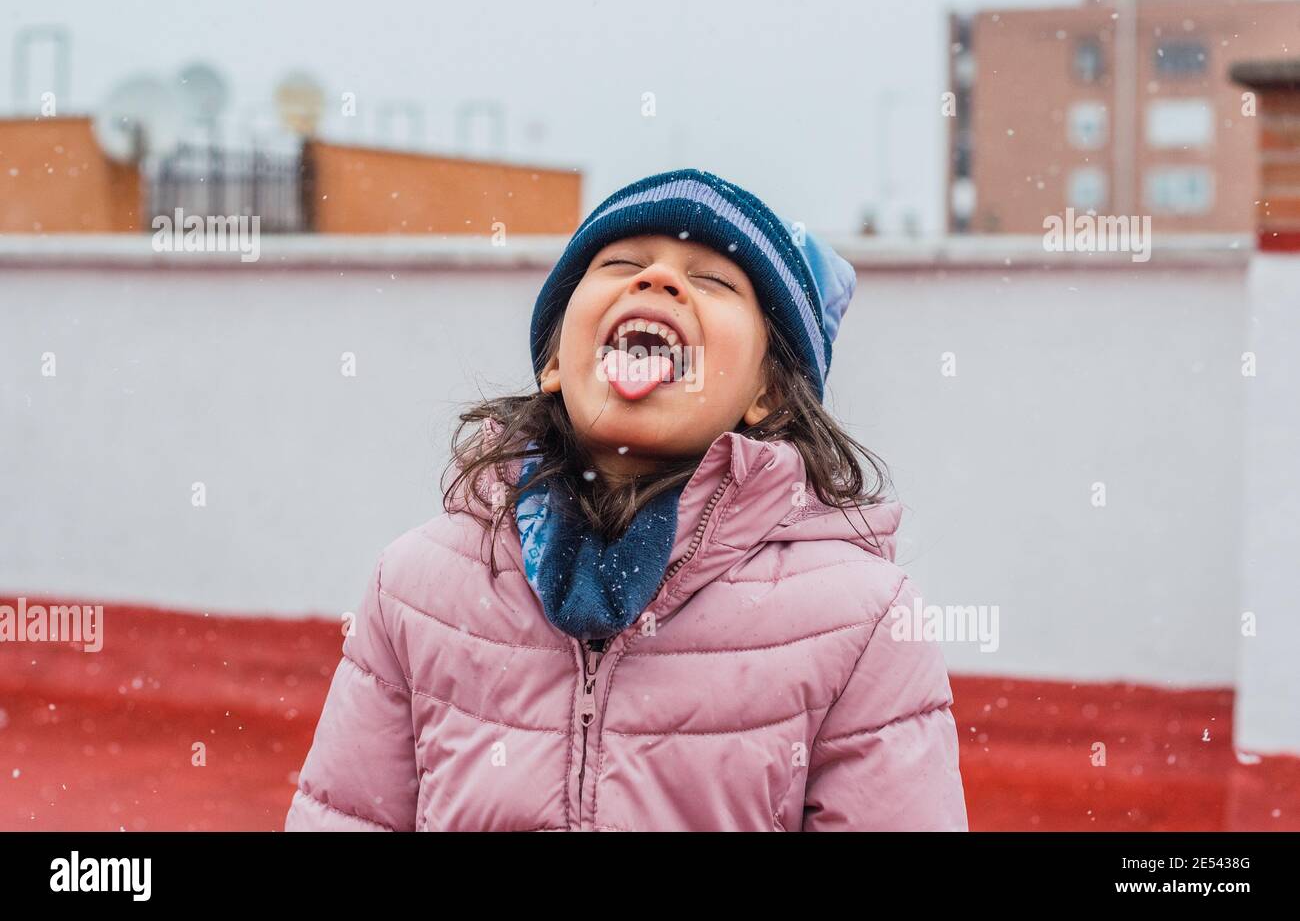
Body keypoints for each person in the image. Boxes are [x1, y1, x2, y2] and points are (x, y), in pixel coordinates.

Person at [284, 167, 969, 832]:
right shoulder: (414, 587)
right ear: (554, 361)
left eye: (712, 279)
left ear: (771, 393)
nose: (659, 278)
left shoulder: (860, 620)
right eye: (619, 265)